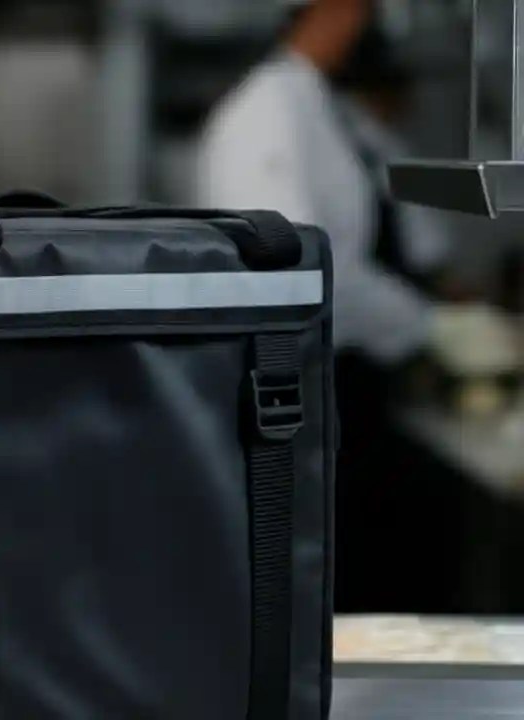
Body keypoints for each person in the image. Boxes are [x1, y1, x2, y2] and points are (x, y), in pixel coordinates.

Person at [195, 0, 458, 612]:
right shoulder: (267, 115)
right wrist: (427, 323)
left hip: (341, 382)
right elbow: (297, 264)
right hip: (297, 386)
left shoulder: (317, 106)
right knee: (320, 588)